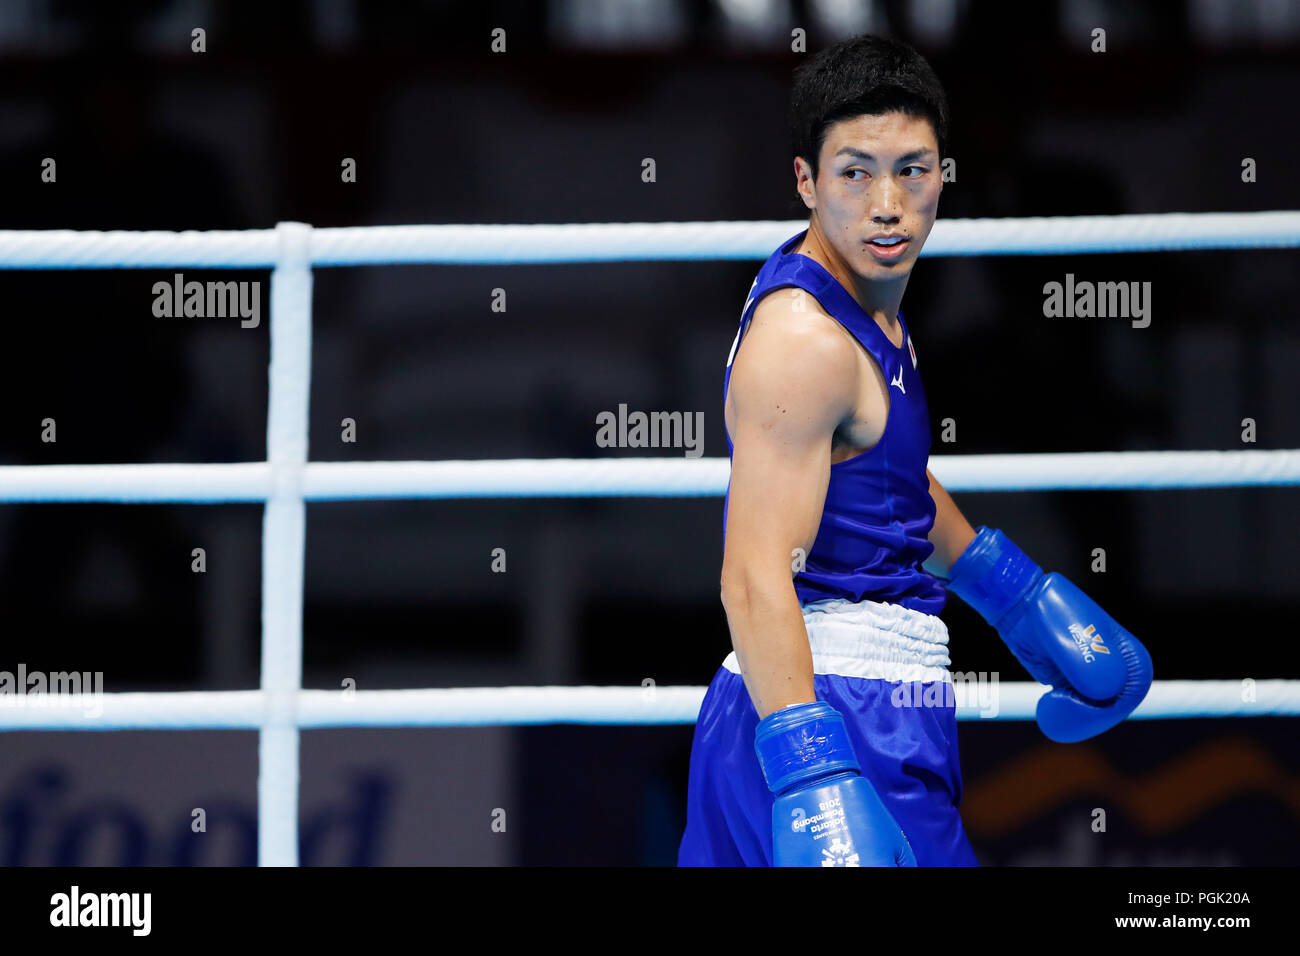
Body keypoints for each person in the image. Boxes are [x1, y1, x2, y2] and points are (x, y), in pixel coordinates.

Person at [677, 35, 1152, 867]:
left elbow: (884, 483)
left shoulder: (873, 303)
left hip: (862, 708)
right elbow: (752, 576)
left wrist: (1018, 597)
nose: (888, 203)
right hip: (830, 715)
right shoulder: (805, 343)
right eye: (855, 172)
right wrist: (812, 776)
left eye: (914, 170)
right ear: (805, 181)